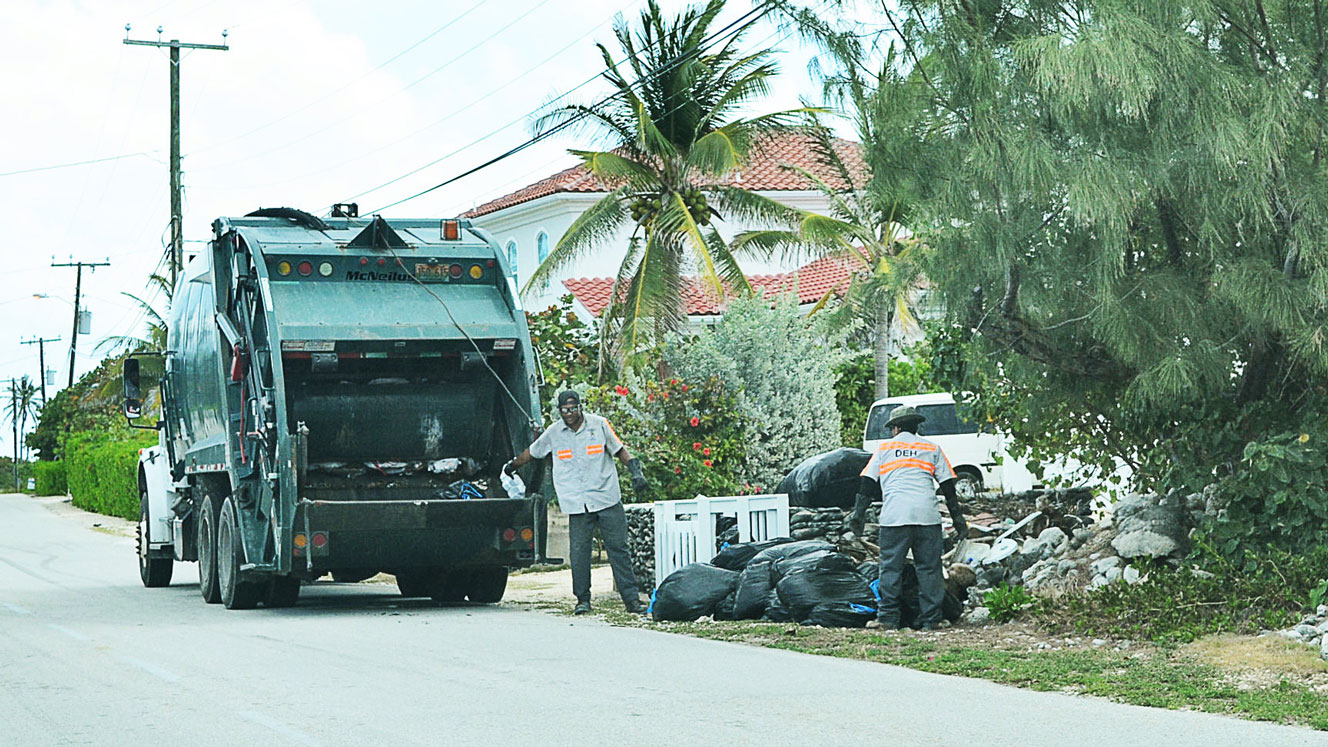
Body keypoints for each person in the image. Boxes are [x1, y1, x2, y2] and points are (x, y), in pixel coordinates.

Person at [505, 390, 650, 615]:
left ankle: (631, 601)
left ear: (580, 407)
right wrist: (513, 466)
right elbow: (532, 453)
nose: (570, 413)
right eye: (565, 410)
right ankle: (583, 600)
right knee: (579, 553)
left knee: (618, 549)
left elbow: (620, 450)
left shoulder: (599, 425)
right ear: (560, 411)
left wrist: (635, 471)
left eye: (573, 409)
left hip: (606, 498)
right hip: (577, 503)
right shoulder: (554, 433)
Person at [849, 405, 967, 630]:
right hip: (927, 517)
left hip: (895, 518)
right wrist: (958, 520)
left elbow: (867, 482)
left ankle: (888, 619)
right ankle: (931, 620)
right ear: (916, 426)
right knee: (929, 569)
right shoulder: (931, 448)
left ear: (894, 428)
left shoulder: (884, 450)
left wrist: (858, 516)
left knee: (891, 568)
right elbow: (948, 487)